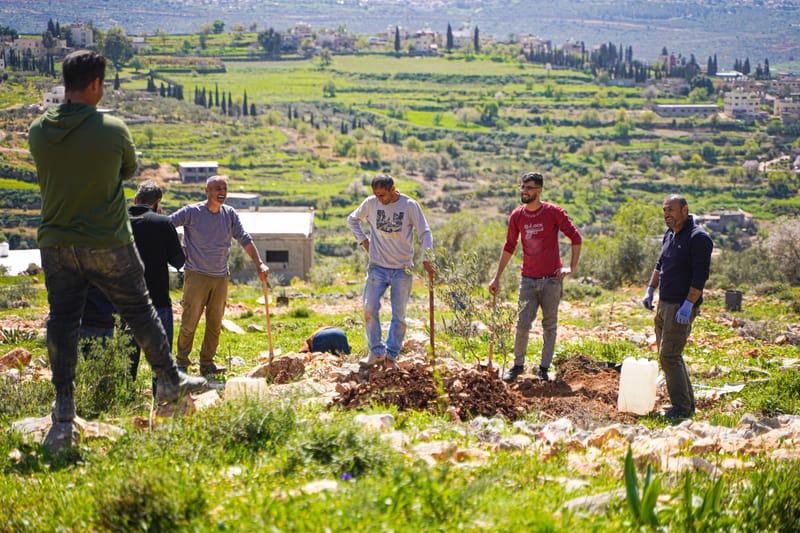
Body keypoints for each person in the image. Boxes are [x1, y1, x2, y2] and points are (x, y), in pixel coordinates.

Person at [28, 49, 207, 447]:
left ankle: (63, 408)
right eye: (103, 83)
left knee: (63, 321)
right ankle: (168, 380)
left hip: (56, 241)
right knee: (140, 310)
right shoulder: (112, 129)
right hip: (106, 238)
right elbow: (125, 171)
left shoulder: (39, 131)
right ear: (94, 84)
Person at [169, 175, 269, 377]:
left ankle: (207, 363)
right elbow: (166, 225)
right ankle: (181, 363)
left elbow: (244, 238)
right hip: (196, 276)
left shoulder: (229, 214)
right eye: (217, 188)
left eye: (224, 188)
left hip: (221, 277)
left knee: (215, 324)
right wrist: (179, 252)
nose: (221, 192)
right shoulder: (192, 212)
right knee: (189, 322)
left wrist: (259, 263)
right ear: (207, 191)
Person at [488, 171, 582, 383]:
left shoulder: (553, 212)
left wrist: (571, 268)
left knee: (549, 325)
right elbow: (509, 246)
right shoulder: (517, 216)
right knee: (522, 324)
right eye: (523, 187)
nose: (524, 191)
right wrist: (497, 278)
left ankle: (543, 369)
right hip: (528, 280)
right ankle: (517, 366)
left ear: (539, 190)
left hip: (551, 280)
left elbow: (576, 237)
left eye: (529, 188)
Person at [347, 174, 435, 370]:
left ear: (393, 190)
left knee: (399, 315)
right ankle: (376, 352)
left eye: (383, 195)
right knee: (369, 309)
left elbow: (425, 232)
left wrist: (427, 258)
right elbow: (352, 220)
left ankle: (391, 356)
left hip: (402, 268)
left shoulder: (409, 206)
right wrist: (364, 242)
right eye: (376, 195)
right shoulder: (370, 204)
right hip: (377, 266)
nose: (380, 199)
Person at [642, 194, 713, 420]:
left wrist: (688, 305)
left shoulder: (698, 238)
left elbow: (700, 277)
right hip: (664, 304)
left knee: (669, 356)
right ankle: (687, 405)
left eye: (671, 210)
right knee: (670, 356)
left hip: (680, 307)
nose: (666, 215)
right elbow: (660, 264)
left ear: (685, 210)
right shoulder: (669, 234)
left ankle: (681, 409)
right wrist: (650, 289)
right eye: (664, 210)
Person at [127, 180, 185, 380]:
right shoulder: (163, 223)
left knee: (127, 359)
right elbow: (178, 261)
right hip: (157, 301)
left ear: (135, 199)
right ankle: (161, 400)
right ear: (157, 202)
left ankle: (124, 400)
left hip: (124, 302)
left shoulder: (117, 222)